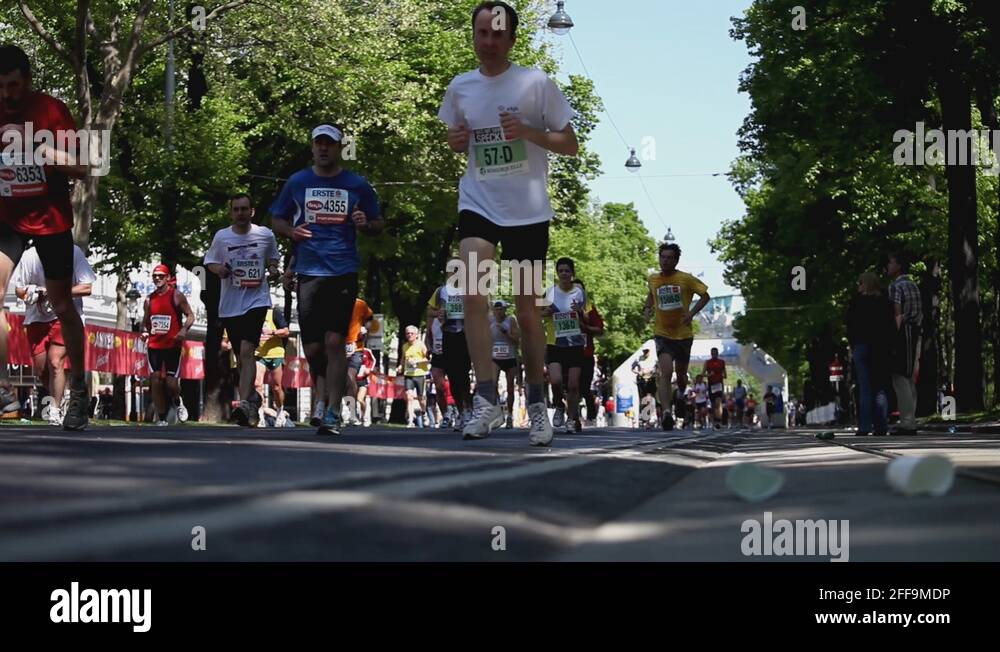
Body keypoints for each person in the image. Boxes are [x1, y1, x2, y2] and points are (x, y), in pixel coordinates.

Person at [438, 1, 578, 445]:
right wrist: (456, 141)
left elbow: (570, 144)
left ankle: (537, 404)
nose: (489, 41)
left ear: (512, 38)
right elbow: (456, 140)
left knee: (526, 311)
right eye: (482, 33)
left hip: (527, 213)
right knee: (473, 294)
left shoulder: (535, 84)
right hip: (477, 204)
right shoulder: (460, 88)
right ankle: (486, 399)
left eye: (498, 33)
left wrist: (527, 133)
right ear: (474, 36)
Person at [269, 124, 384, 435]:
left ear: (338, 148)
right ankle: (324, 395)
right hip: (309, 272)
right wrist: (291, 231)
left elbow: (377, 222)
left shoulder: (356, 185)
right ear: (312, 148)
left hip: (342, 270)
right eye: (318, 144)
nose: (323, 149)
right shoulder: (298, 182)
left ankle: (333, 411)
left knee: (335, 343)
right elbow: (276, 217)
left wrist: (365, 223)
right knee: (315, 349)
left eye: (329, 144)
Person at [1, 44, 93, 429]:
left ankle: (80, 389)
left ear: (28, 80)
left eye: (15, 85)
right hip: (7, 217)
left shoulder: (51, 110)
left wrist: (46, 152)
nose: (8, 94)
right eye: (2, 87)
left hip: (51, 219)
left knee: (62, 306)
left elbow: (85, 166)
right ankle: (4, 389)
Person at [205, 193, 281, 427]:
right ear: (231, 213)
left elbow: (273, 259)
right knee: (240, 356)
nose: (240, 213)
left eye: (244, 209)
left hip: (256, 301)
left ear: (252, 211)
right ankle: (253, 399)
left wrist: (273, 269)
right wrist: (220, 270)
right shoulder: (222, 236)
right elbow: (210, 261)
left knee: (248, 350)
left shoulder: (265, 235)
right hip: (230, 304)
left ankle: (245, 404)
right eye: (236, 209)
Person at [12, 244, 95, 425]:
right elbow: (19, 290)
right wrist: (32, 293)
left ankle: (55, 409)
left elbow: (86, 288)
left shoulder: (73, 252)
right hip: (36, 318)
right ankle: (60, 396)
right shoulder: (29, 256)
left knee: (55, 361)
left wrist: (54, 293)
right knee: (42, 370)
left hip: (64, 315)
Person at [643, 242, 710, 430]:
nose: (665, 261)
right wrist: (647, 309)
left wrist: (691, 313)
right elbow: (651, 295)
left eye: (669, 258)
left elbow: (705, 296)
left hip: (683, 334)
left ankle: (681, 393)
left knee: (680, 375)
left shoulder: (685, 279)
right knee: (665, 372)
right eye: (662, 257)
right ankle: (666, 413)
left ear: (676, 260)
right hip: (662, 333)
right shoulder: (653, 279)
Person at [141, 264, 196, 425]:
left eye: (160, 276)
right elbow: (146, 322)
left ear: (167, 277)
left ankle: (178, 402)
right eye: (155, 276)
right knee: (155, 380)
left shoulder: (176, 295)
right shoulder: (149, 299)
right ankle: (163, 418)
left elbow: (190, 315)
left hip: (172, 345)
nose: (157, 278)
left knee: (171, 383)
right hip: (154, 346)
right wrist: (145, 331)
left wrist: (184, 330)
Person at [542, 257, 589, 434]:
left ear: (572, 273)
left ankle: (571, 419)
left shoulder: (580, 293)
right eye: (560, 271)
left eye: (567, 271)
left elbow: (587, 318)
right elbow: (540, 313)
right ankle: (559, 404)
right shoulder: (550, 292)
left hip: (575, 343)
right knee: (555, 381)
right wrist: (545, 312)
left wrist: (580, 312)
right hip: (555, 343)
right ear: (557, 273)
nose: (564, 274)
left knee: (573, 385)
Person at [847, 270, 894, 436]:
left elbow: (850, 326)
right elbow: (890, 325)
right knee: (880, 388)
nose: (858, 286)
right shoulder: (884, 301)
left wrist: (853, 345)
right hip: (880, 348)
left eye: (860, 283)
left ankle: (865, 426)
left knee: (864, 388)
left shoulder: (855, 302)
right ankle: (881, 426)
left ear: (865, 284)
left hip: (861, 347)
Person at [427, 266, 474, 430]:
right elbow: (430, 311)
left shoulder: (468, 290)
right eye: (451, 270)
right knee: (453, 377)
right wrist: (439, 313)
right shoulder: (441, 291)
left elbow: (482, 309)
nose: (454, 273)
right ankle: (461, 413)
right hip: (447, 334)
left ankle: (469, 410)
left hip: (464, 335)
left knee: (464, 375)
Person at [886, 252, 922, 436]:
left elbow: (897, 314)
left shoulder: (896, 286)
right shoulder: (913, 285)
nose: (887, 266)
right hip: (914, 332)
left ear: (898, 266)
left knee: (899, 377)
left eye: (890, 262)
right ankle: (910, 419)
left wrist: (892, 338)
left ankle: (907, 423)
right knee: (908, 377)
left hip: (902, 334)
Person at [575, 279, 605, 426]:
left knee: (584, 387)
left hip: (586, 355)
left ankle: (590, 409)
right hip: (567, 353)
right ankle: (572, 416)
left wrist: (585, 326)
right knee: (570, 386)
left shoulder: (589, 309)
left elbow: (600, 330)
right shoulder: (561, 306)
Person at [254, 306, 290, 427]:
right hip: (259, 354)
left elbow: (286, 331)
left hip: (275, 353)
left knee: (276, 387)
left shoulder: (273, 313)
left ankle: (280, 411)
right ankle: (259, 415)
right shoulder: (251, 313)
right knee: (257, 384)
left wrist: (272, 332)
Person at [489, 299, 520, 428]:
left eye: (501, 309)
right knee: (493, 383)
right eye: (496, 309)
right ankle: (498, 412)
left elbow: (516, 340)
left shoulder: (511, 320)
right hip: (495, 357)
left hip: (509, 357)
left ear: (505, 310)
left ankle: (510, 416)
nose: (499, 311)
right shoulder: (489, 321)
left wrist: (506, 333)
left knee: (510, 388)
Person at [397, 325, 431, 427]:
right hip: (408, 374)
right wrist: (400, 366)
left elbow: (428, 359)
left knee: (421, 398)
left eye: (412, 333)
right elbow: (403, 359)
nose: (409, 335)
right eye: (408, 333)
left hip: (420, 374)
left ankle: (424, 413)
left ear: (416, 335)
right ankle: (411, 419)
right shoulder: (405, 346)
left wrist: (418, 361)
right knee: (409, 396)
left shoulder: (421, 345)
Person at [347, 327, 376, 426]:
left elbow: (373, 362)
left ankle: (365, 417)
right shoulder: (347, 349)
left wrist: (369, 370)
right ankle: (354, 414)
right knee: (349, 398)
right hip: (352, 379)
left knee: (360, 399)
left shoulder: (366, 351)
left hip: (362, 380)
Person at [631, 348, 657, 428]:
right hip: (641, 380)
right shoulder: (638, 359)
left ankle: (650, 417)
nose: (645, 353)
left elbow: (659, 369)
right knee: (643, 400)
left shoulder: (654, 360)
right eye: (644, 351)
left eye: (647, 351)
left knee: (649, 399)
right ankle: (645, 419)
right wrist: (639, 372)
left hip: (651, 379)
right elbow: (632, 369)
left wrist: (653, 372)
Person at [703, 346, 727, 430]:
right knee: (713, 405)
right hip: (711, 385)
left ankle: (719, 422)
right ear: (711, 354)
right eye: (712, 353)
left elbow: (725, 375)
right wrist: (709, 375)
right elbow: (702, 374)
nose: (714, 355)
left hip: (719, 385)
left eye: (715, 353)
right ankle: (714, 423)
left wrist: (721, 375)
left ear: (717, 353)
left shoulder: (722, 362)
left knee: (718, 403)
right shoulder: (707, 362)